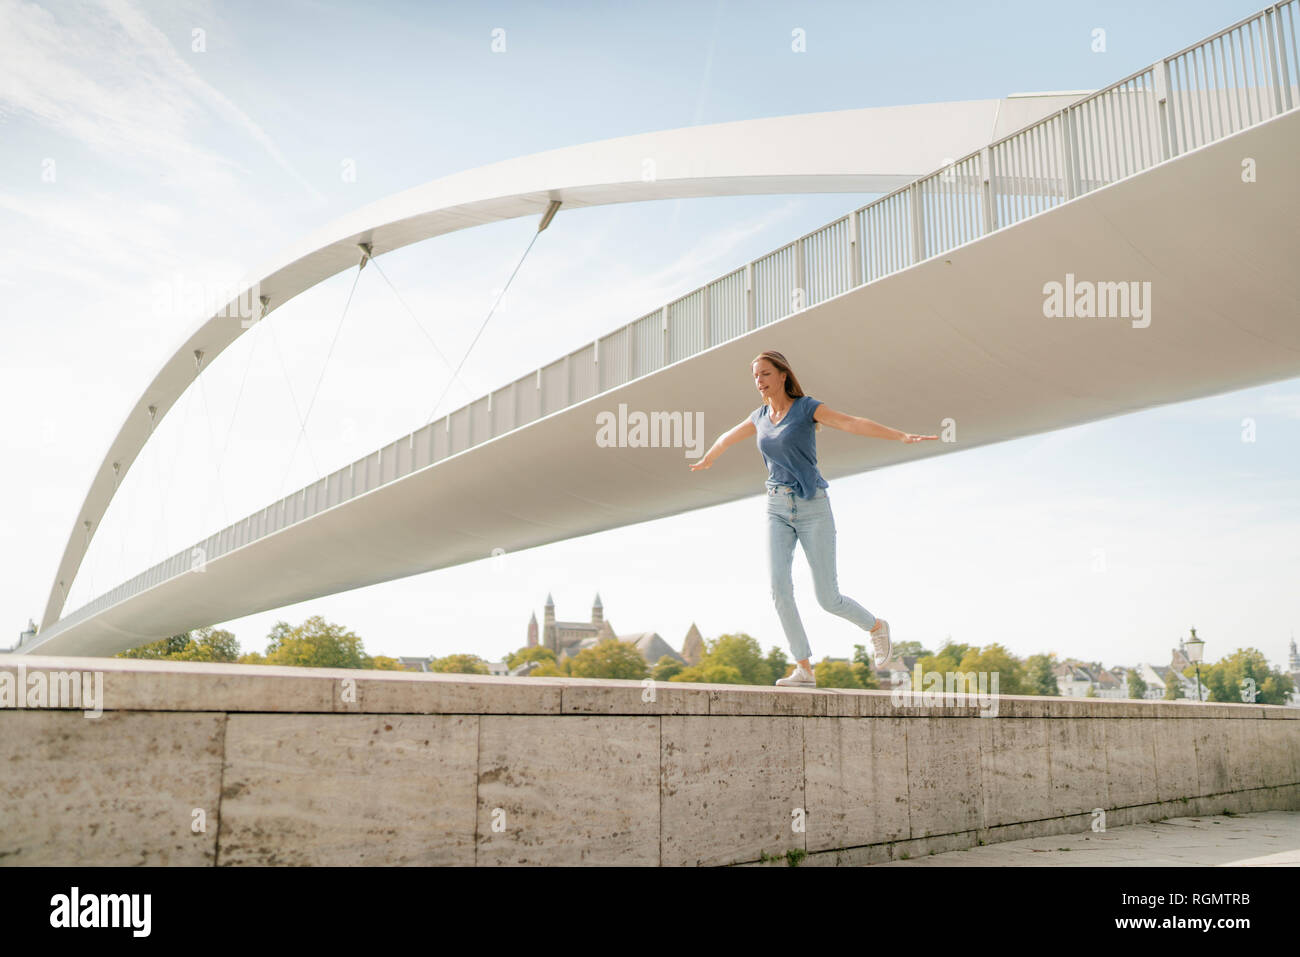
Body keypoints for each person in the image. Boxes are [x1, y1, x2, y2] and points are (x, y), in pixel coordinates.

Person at [689, 350, 936, 687]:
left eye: (764, 374)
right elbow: (727, 438)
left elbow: (851, 422)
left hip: (812, 507)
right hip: (776, 506)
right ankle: (804, 667)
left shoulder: (807, 409)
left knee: (828, 598)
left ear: (782, 375)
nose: (759, 382)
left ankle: (876, 626)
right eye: (755, 376)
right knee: (779, 587)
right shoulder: (759, 416)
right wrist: (708, 457)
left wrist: (900, 436)